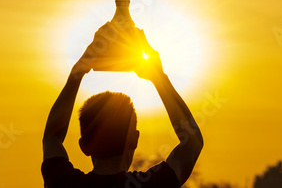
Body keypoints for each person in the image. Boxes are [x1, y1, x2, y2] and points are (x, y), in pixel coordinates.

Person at [41, 25, 203, 187]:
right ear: (134, 138)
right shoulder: (152, 185)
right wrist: (159, 78)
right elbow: (192, 142)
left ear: (84, 146)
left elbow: (52, 136)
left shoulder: (64, 183)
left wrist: (77, 73)